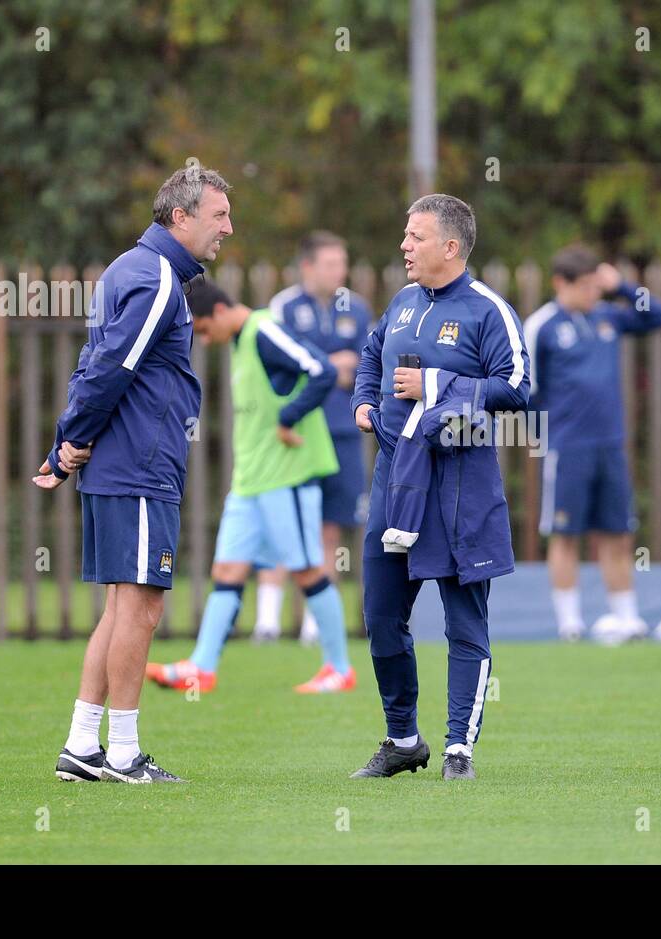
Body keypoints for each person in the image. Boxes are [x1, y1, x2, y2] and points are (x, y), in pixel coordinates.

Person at [40, 165, 232, 783]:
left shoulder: (129, 268)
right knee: (142, 608)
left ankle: (82, 746)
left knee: (121, 608)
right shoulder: (154, 277)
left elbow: (90, 362)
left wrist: (68, 443)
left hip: (120, 465)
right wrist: (71, 438)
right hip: (139, 467)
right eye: (219, 216)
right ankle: (122, 754)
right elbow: (112, 368)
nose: (228, 228)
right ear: (181, 217)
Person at [349, 194, 529, 781]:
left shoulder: (487, 311)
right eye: (405, 235)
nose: (404, 245)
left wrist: (435, 382)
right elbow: (372, 358)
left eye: (416, 237)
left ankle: (459, 751)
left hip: (460, 484)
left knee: (463, 624)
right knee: (380, 615)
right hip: (396, 480)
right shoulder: (401, 303)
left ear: (450, 247)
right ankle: (403, 739)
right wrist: (362, 403)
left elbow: (517, 389)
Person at [144, 279, 354, 694]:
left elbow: (321, 370)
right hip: (250, 482)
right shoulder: (241, 341)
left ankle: (339, 668)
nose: (203, 340)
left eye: (203, 329)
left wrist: (288, 418)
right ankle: (201, 668)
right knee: (226, 569)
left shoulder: (264, 329)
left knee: (307, 568)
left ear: (220, 312)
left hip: (286, 476)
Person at [522, 244, 661, 642]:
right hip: (566, 447)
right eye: (585, 286)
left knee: (617, 534)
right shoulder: (542, 325)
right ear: (560, 283)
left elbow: (658, 315)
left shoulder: (608, 317)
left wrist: (621, 284)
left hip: (610, 445)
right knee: (564, 533)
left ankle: (627, 619)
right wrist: (543, 440)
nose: (593, 294)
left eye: (596, 286)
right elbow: (525, 391)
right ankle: (570, 623)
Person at [252, 231, 373, 645]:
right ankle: (267, 621)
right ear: (307, 267)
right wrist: (327, 363)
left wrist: (323, 364)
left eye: (342, 263)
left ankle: (314, 623)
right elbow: (289, 363)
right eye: (330, 263)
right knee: (281, 524)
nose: (339, 271)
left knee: (331, 529)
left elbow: (361, 368)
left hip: (342, 432)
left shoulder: (357, 308)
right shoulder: (283, 307)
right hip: (297, 431)